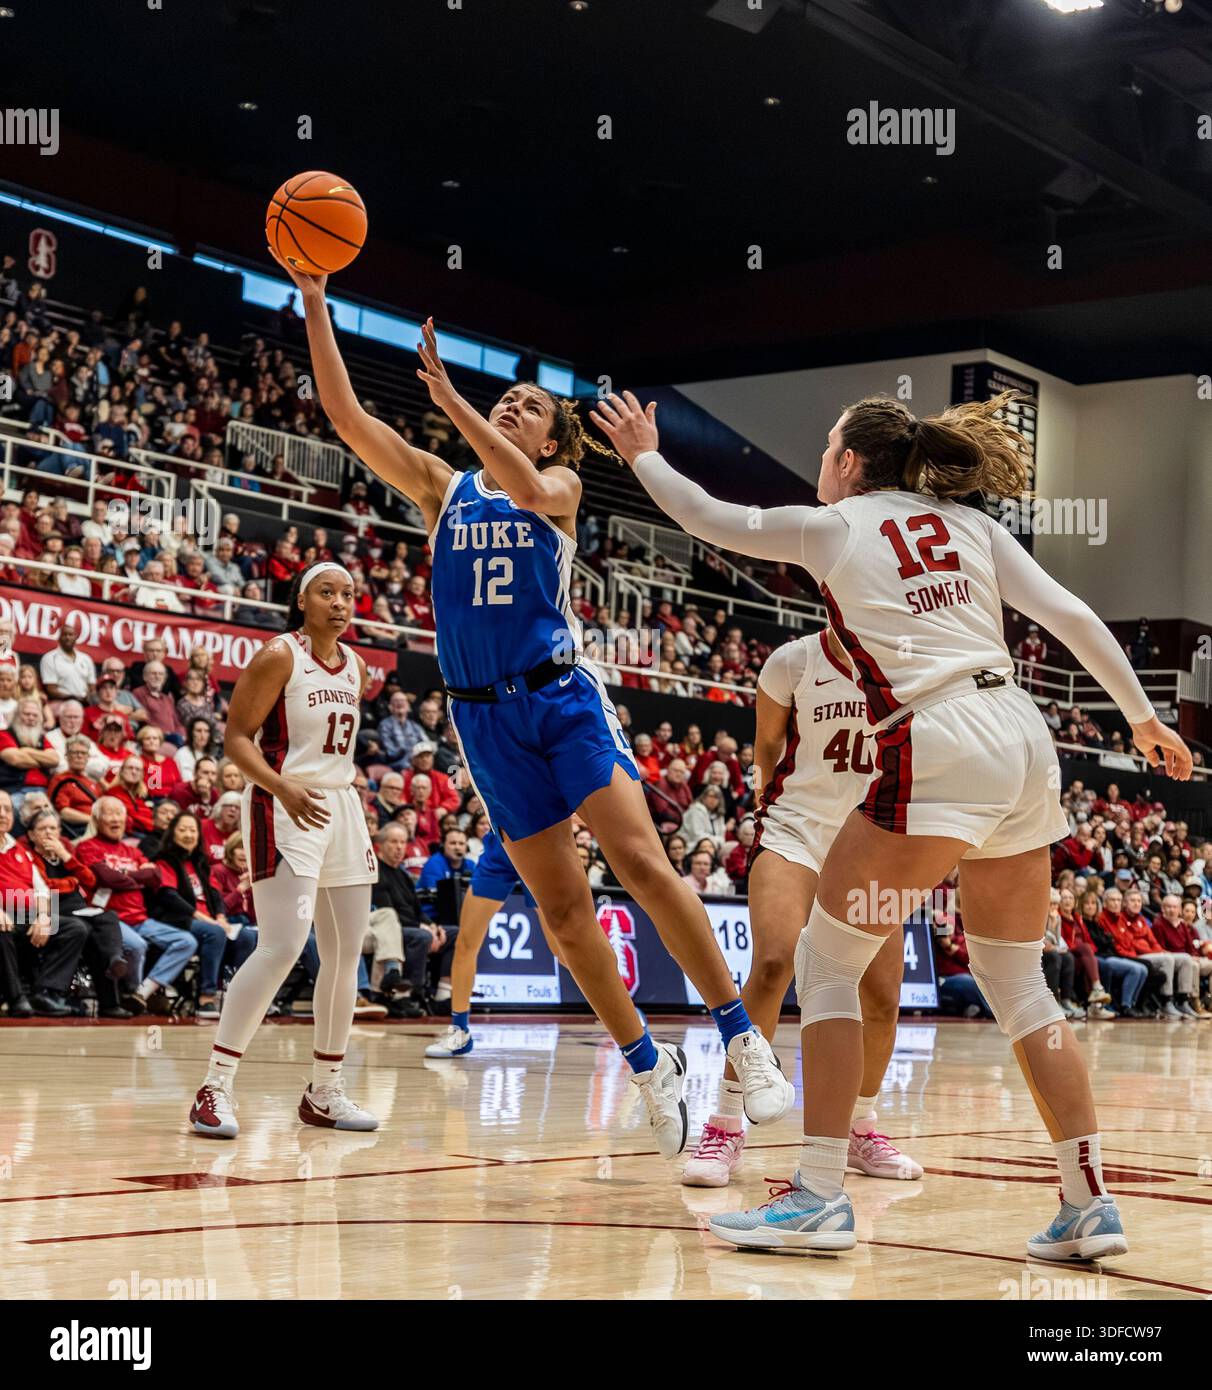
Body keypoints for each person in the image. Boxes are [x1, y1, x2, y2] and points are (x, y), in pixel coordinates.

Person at [594, 387, 1190, 1256]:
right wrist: (1140, 716)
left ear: (850, 463)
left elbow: (705, 514)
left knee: (827, 966)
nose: (821, 459)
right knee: (1020, 983)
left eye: (829, 445)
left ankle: (818, 1195)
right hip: (1024, 738)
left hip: (938, 736)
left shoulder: (836, 526)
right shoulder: (973, 528)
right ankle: (1088, 1202)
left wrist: (644, 450)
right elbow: (1069, 615)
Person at [277, 252, 792, 1157]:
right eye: (503, 401)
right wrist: (317, 302)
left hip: (561, 699)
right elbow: (345, 417)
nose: (512, 408)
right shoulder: (444, 488)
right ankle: (645, 1065)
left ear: (551, 440)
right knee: (560, 911)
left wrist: (454, 404)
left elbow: (522, 481)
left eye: (528, 409)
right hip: (482, 718)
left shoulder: (557, 490)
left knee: (639, 859)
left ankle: (739, 1038)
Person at [682, 630, 921, 1187]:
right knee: (772, 964)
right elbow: (767, 746)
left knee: (883, 998)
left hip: (873, 842)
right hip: (795, 832)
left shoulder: (907, 663)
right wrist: (766, 801)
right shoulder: (792, 661)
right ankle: (724, 1123)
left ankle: (861, 1127)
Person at [189, 561, 380, 1139]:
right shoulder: (279, 654)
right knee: (283, 944)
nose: (340, 602)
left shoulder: (357, 666)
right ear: (302, 600)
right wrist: (281, 787)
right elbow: (236, 740)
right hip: (281, 802)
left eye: (349, 593)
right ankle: (214, 1086)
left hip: (340, 806)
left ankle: (325, 1091)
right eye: (327, 592)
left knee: (348, 950)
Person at [76, 797, 198, 1015]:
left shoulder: (132, 850)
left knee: (186, 941)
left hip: (142, 920)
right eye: (109, 814)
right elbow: (105, 878)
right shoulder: (87, 846)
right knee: (138, 945)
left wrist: (123, 876)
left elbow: (155, 876)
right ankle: (130, 990)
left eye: (119, 814)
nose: (115, 819)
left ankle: (142, 992)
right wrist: (136, 877)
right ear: (96, 819)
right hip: (110, 919)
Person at [148, 811, 249, 1021]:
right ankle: (206, 997)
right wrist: (204, 919)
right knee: (214, 933)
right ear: (172, 833)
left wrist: (220, 915)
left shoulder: (200, 862)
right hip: (177, 919)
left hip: (209, 920)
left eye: (193, 830)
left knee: (247, 937)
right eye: (182, 829)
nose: (188, 834)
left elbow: (214, 894)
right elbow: (169, 896)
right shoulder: (164, 860)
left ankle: (235, 994)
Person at [0, 791, 89, 1017]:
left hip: (26, 913)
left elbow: (41, 891)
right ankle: (16, 997)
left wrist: (43, 916)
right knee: (1, 929)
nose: (2, 814)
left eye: (8, 809)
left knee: (75, 928)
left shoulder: (19, 850)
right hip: (5, 912)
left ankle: (47, 993)